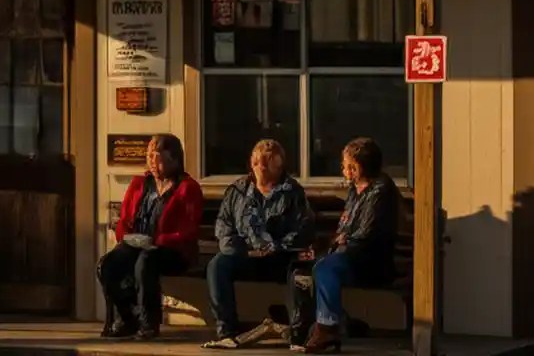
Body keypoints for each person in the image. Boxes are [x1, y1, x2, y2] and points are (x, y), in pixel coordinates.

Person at [291, 137, 401, 353]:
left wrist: (343, 241)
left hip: (370, 260)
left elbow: (366, 234)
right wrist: (329, 245)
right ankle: (307, 324)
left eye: (352, 166)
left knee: (325, 268)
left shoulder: (380, 191)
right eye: (345, 166)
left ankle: (327, 328)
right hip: (347, 255)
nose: (347, 171)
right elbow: (345, 226)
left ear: (366, 165)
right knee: (299, 267)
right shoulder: (355, 190)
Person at [202, 139, 314, 349]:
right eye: (257, 160)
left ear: (280, 165)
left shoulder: (292, 192)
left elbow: (303, 229)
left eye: (268, 160)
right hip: (246, 256)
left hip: (281, 258)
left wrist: (276, 247)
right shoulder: (237, 190)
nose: (261, 165)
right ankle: (226, 331)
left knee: (300, 271)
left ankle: (299, 333)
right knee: (218, 265)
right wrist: (241, 249)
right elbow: (223, 226)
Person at [97, 134, 203, 341]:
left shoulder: (187, 188)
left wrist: (157, 241)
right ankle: (127, 317)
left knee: (146, 261)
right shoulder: (140, 184)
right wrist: (126, 236)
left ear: (174, 159)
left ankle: (148, 324)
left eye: (157, 156)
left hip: (172, 251)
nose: (152, 162)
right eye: (149, 156)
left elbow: (188, 231)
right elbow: (125, 220)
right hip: (137, 244)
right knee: (107, 265)